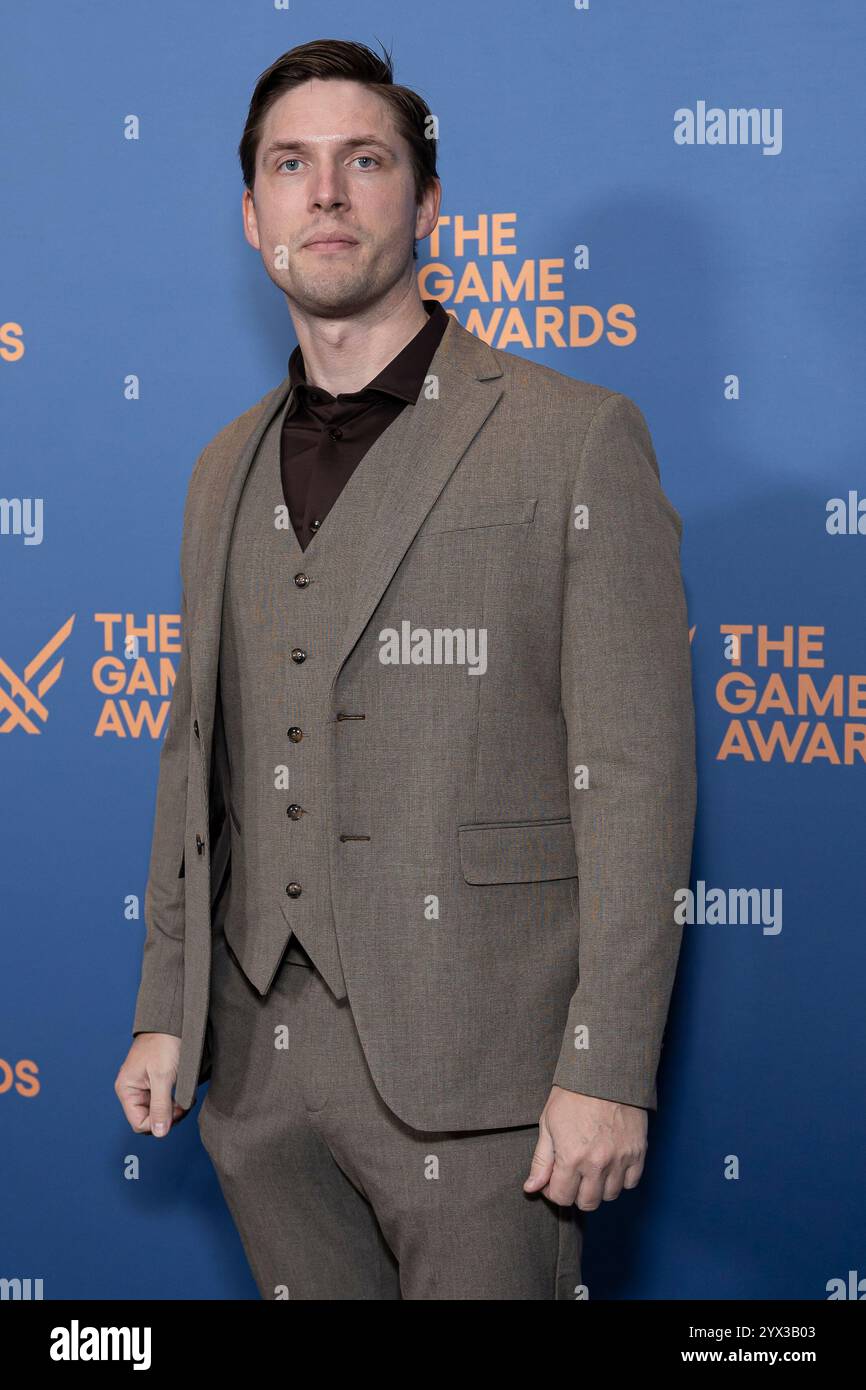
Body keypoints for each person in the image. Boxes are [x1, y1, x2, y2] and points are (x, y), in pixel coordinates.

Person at [115, 37, 697, 1301]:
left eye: (363, 161)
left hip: (487, 1076)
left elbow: (635, 777)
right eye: (290, 165)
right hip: (257, 1074)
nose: (324, 193)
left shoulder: (572, 439)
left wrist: (605, 1064)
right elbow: (194, 754)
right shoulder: (219, 466)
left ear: (427, 204)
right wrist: (167, 1004)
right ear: (252, 213)